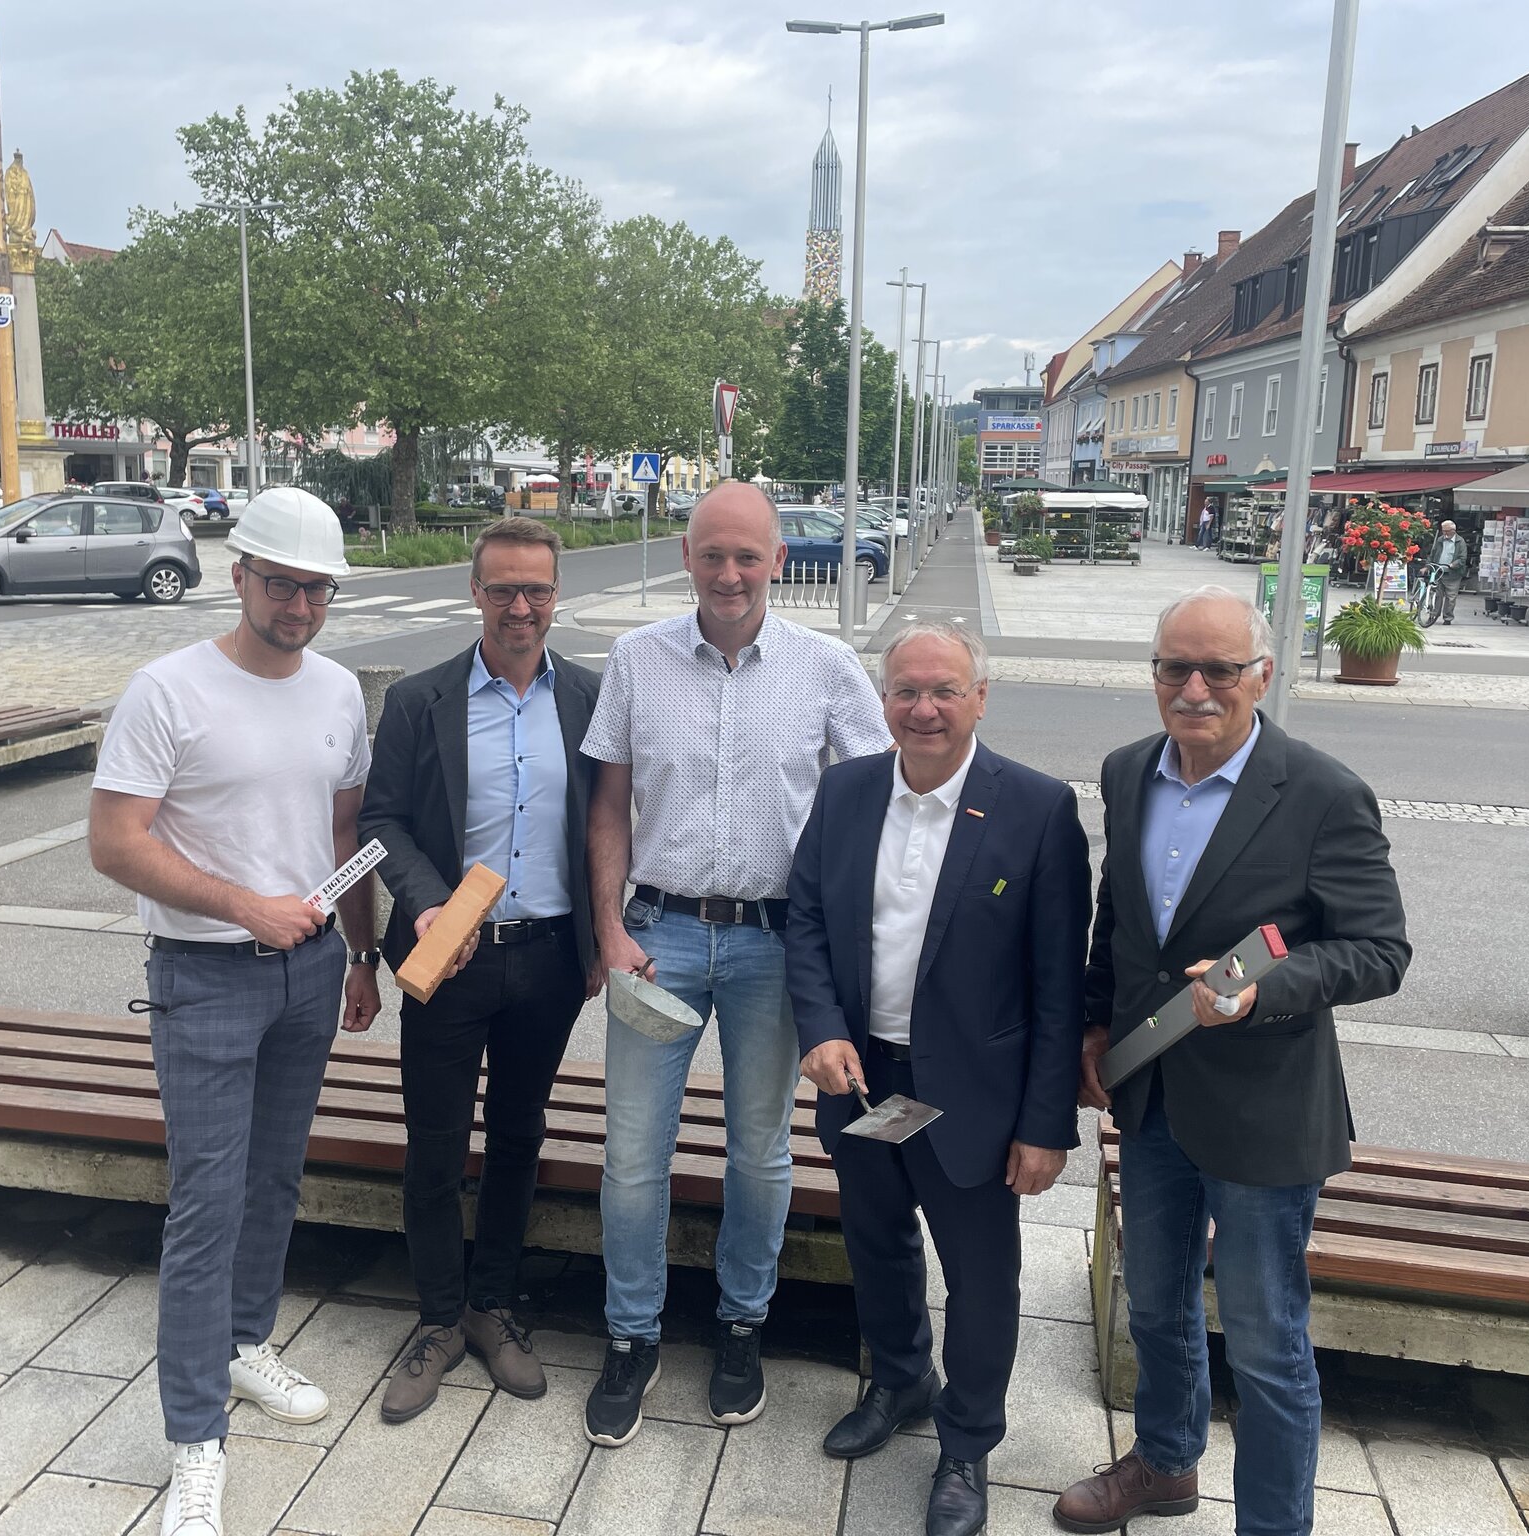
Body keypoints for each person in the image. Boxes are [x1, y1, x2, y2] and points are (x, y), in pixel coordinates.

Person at [1054, 586, 1409, 1536]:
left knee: (1265, 1344)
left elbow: (1381, 953)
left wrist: (1267, 990)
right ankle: (1167, 1465)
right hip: (1155, 1088)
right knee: (1157, 1308)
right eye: (1177, 668)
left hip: (1263, 1112)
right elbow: (1120, 921)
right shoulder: (1129, 771)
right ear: (1155, 677)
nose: (1196, 687)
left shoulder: (1323, 793)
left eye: (1219, 669)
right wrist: (1095, 1027)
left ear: (1262, 675)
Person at [89, 486, 379, 1536]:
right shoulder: (167, 691)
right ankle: (193, 1439)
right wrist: (243, 908)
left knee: (275, 1177)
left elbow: (343, 831)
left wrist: (359, 952)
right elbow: (116, 843)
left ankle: (244, 1340)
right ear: (239, 574)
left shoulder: (340, 691)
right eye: (284, 583)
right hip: (203, 973)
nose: (300, 604)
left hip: (308, 975)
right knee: (207, 1203)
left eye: (318, 589)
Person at [579, 480, 892, 1448]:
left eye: (746, 556)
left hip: (775, 942)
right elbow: (606, 809)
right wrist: (608, 932)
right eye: (711, 554)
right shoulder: (634, 660)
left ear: (778, 559)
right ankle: (630, 1337)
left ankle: (740, 1325)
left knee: (759, 1149)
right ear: (685, 556)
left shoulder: (828, 668)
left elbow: (876, 804)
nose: (728, 574)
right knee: (633, 1151)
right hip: (657, 934)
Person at [785, 621, 1090, 1536]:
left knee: (983, 1278)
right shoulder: (844, 792)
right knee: (876, 1246)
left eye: (944, 691)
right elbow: (803, 921)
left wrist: (1045, 1127)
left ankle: (966, 1445)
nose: (923, 709)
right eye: (906, 691)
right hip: (865, 1082)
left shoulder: (1036, 808)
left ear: (980, 698)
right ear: (883, 702)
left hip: (972, 1097)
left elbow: (1057, 987)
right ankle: (902, 1380)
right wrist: (821, 1029)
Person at [358, 517, 603, 1423]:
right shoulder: (422, 701)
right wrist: (425, 904)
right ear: (475, 593)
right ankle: (434, 1318)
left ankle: (492, 1305)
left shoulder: (587, 696)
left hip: (547, 959)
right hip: (448, 960)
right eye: (502, 589)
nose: (520, 606)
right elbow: (381, 819)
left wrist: (606, 936)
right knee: (433, 1141)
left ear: (556, 595)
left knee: (518, 1133)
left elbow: (609, 825)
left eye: (536, 589)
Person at [1424, 518, 1468, 624]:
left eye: (1447, 531)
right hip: (1439, 572)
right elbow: (1433, 554)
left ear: (1453, 531)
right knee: (1437, 595)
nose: (1445, 533)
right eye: (1443, 531)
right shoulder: (1440, 540)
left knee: (1451, 597)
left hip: (1453, 574)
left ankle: (1447, 618)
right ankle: (1433, 615)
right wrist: (1428, 566)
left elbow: (1462, 558)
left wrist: (1453, 564)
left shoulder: (1460, 542)